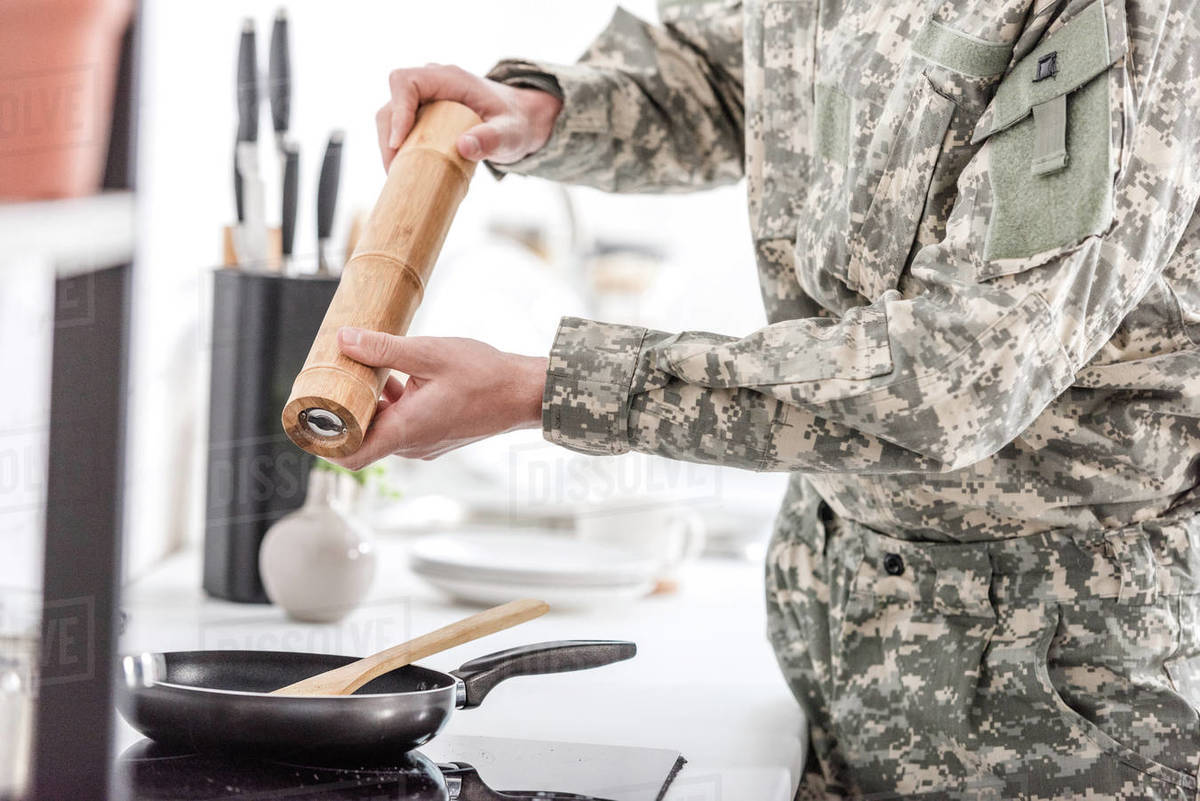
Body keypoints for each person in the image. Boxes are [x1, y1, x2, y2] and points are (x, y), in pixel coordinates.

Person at [333, 1, 1200, 797]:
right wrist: (547, 113)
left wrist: (544, 387)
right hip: (836, 637)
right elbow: (722, 67)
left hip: (1061, 694)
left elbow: (957, 376)